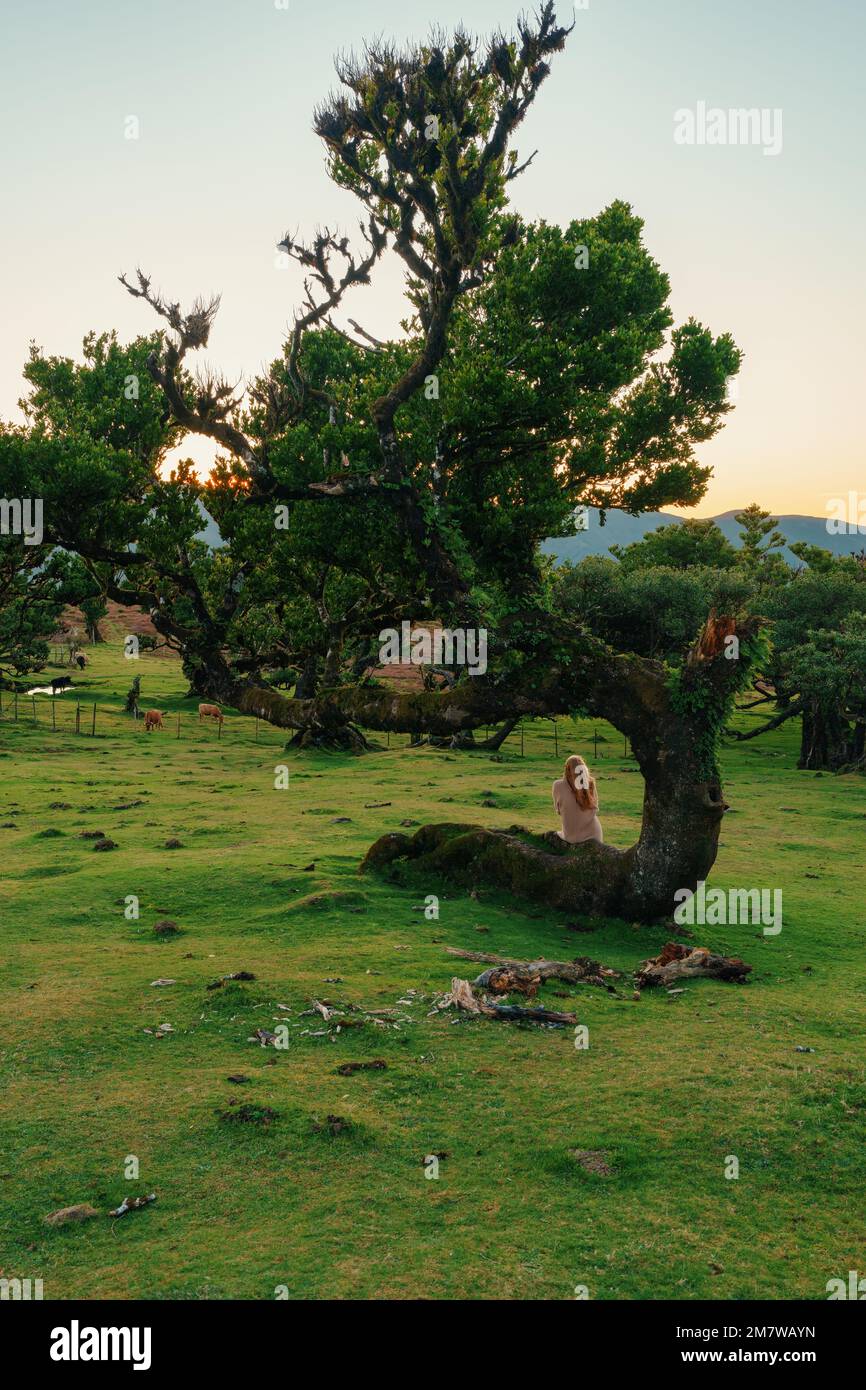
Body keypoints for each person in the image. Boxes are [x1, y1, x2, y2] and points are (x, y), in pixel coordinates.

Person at [552, 754, 603, 845]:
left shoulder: (557, 785)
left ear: (566, 769)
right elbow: (595, 808)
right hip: (595, 834)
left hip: (571, 838)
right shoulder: (590, 783)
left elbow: (558, 811)